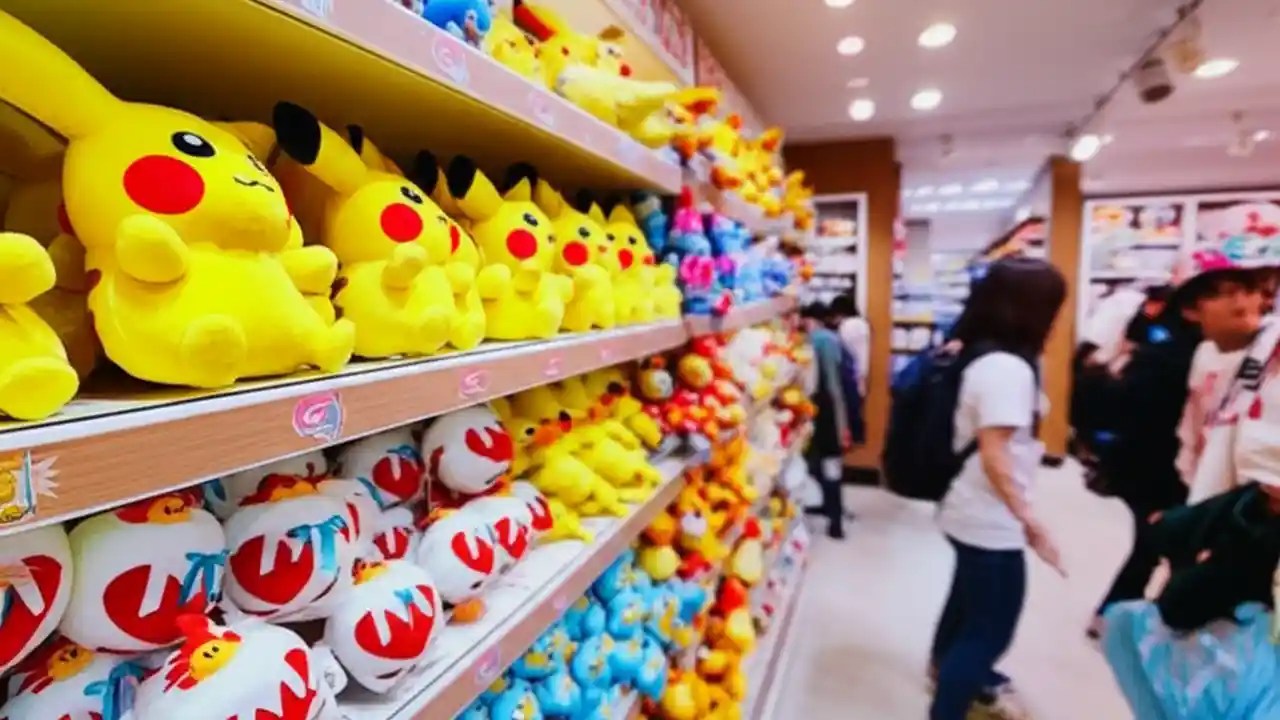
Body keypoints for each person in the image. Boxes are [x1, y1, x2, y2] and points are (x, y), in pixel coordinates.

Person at [1089, 256, 1266, 637]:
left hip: (1241, 503)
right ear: (1191, 309)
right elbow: (1182, 428)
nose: (1240, 301)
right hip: (1187, 488)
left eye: (1248, 289)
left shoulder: (1268, 351)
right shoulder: (1195, 357)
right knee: (1171, 564)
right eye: (1222, 293)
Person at [928, 258, 1067, 720]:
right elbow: (995, 454)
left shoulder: (979, 351)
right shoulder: (1008, 369)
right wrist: (1030, 520)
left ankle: (942, 668)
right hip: (988, 516)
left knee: (967, 602)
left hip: (967, 507)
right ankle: (950, 702)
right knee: (991, 631)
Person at [800, 301, 852, 540]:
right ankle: (833, 511)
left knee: (825, 464)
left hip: (826, 412)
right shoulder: (827, 339)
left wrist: (842, 425)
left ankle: (836, 517)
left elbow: (832, 385)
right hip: (824, 410)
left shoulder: (821, 341)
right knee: (826, 466)